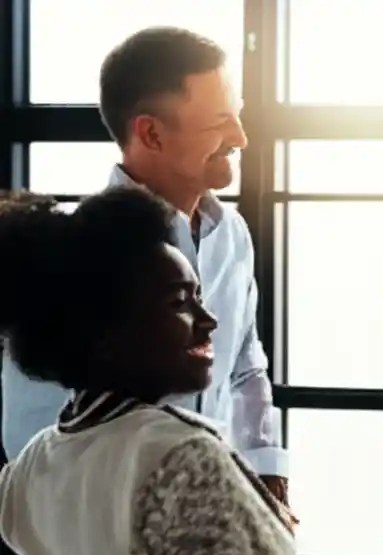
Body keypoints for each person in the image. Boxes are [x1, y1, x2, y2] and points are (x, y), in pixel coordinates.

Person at [0, 26, 290, 506]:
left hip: (212, 500)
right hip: (118, 524)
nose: (240, 137)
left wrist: (265, 468)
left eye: (236, 118)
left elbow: (244, 363)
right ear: (150, 132)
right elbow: (35, 426)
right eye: (220, 122)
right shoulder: (76, 251)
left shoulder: (232, 233)